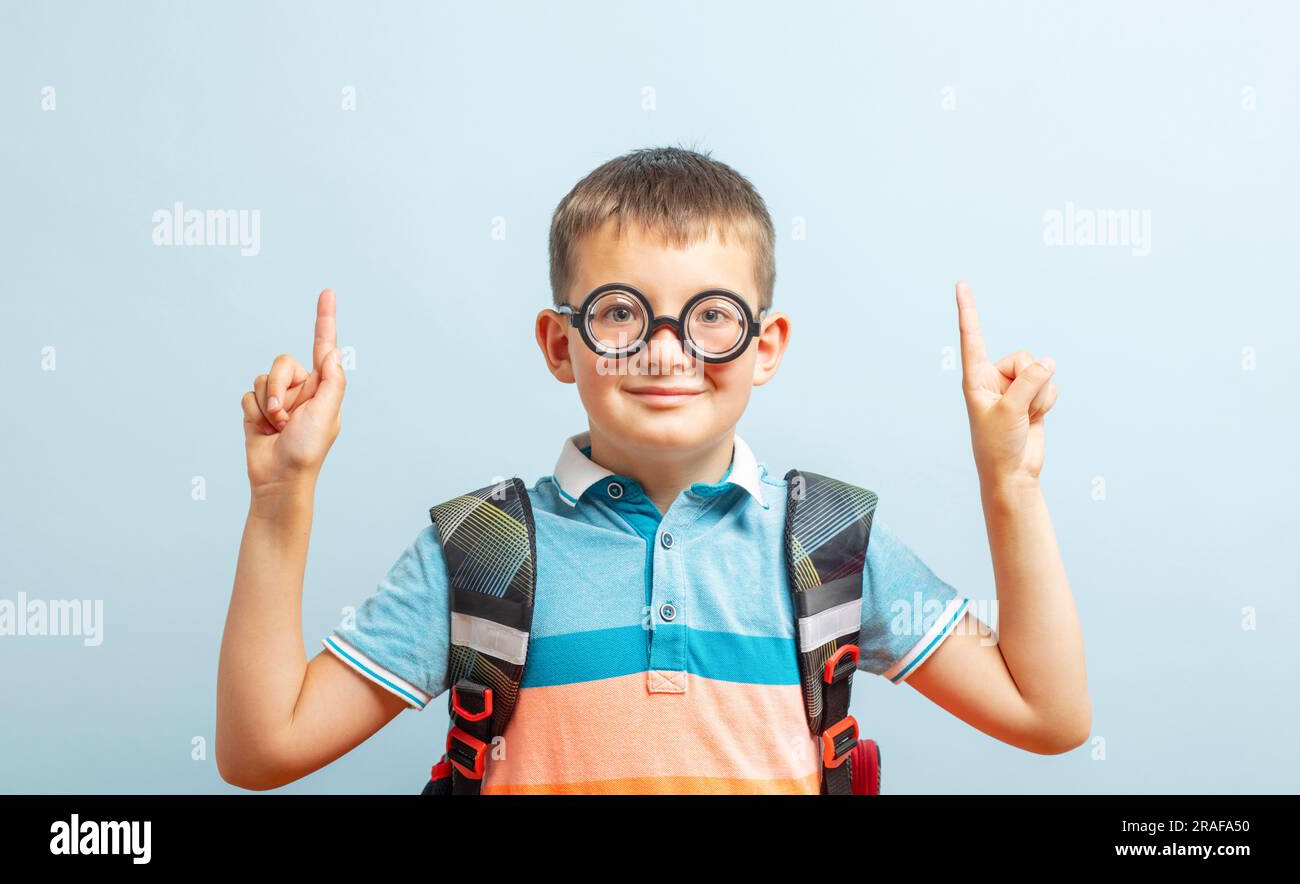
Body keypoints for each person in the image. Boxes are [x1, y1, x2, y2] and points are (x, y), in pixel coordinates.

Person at [215, 146, 1089, 792]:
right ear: (562, 344)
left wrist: (1010, 486)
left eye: (712, 316)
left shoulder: (832, 543)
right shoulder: (480, 551)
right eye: (621, 314)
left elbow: (1048, 715)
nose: (669, 353)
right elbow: (263, 751)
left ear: (766, 344)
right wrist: (280, 498)